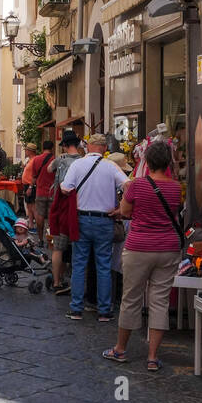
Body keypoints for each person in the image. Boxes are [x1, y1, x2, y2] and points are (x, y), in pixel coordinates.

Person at [103, 138, 184, 371]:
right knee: (160, 302)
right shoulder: (176, 187)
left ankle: (120, 349)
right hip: (167, 248)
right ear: (168, 162)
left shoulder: (137, 185)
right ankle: (152, 357)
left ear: (146, 161)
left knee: (131, 299)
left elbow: (126, 212)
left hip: (139, 246)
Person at [61, 134, 128, 322]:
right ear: (104, 148)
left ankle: (76, 309)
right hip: (104, 221)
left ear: (88, 147)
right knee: (104, 266)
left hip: (81, 219)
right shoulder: (111, 166)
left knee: (79, 265)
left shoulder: (77, 165)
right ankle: (104, 311)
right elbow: (128, 185)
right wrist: (121, 209)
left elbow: (66, 188)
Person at [47, 129, 83, 296]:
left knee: (58, 248)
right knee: (77, 248)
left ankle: (56, 281)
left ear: (66, 146)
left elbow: (48, 170)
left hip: (61, 207)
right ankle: (76, 282)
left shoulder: (60, 160)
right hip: (78, 208)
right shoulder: (84, 162)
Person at [32, 141, 55, 243]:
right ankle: (51, 240)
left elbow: (33, 177)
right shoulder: (55, 160)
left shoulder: (36, 159)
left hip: (40, 191)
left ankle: (40, 239)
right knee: (51, 217)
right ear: (52, 148)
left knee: (40, 216)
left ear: (42, 147)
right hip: (52, 192)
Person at [20, 143, 38, 225]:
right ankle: (31, 223)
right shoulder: (29, 159)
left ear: (30, 151)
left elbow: (35, 175)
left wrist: (30, 187)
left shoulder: (34, 160)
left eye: (26, 150)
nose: (25, 152)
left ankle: (36, 224)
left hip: (30, 185)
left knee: (33, 206)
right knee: (29, 206)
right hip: (27, 184)